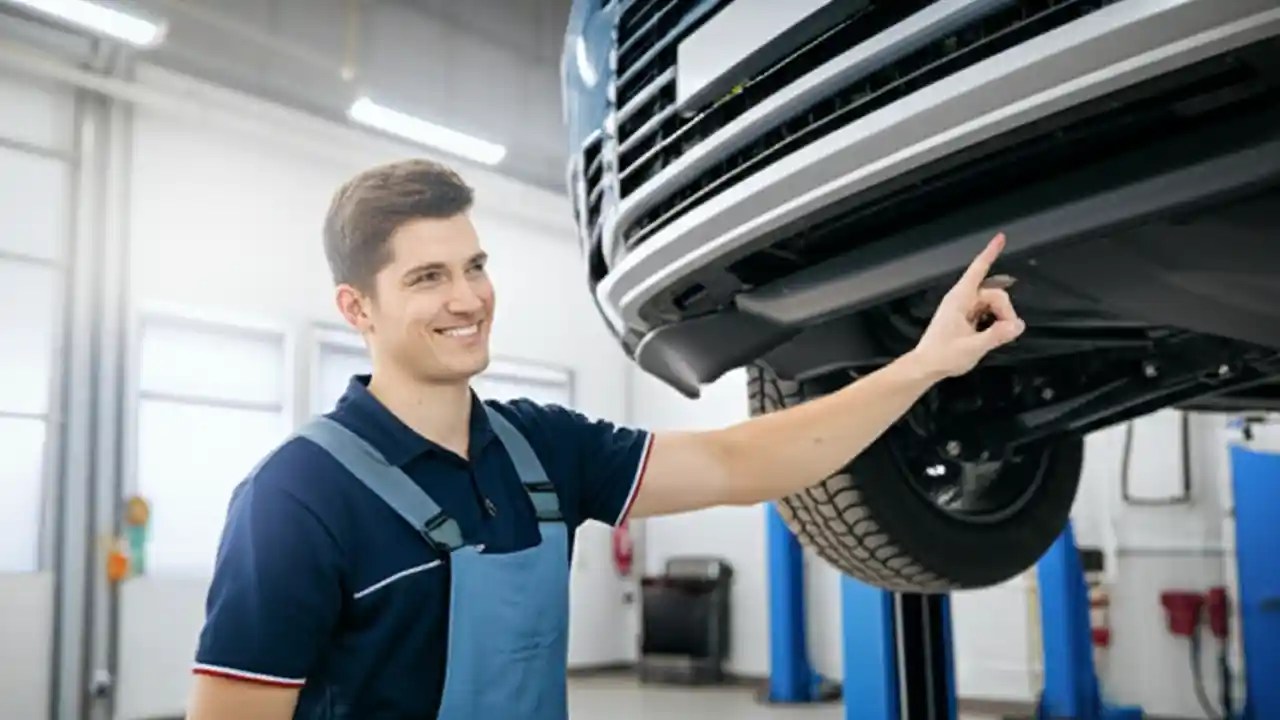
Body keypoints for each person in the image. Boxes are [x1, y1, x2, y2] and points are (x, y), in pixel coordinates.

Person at [185, 159, 1024, 720]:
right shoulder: (294, 499)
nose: (469, 299)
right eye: (428, 278)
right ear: (357, 309)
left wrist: (923, 366)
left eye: (475, 266)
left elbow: (743, 461)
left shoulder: (541, 448)